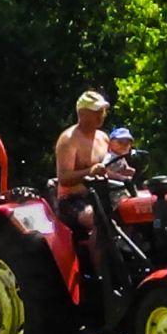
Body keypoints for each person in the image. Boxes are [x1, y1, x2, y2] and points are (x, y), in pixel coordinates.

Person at [53, 90, 111, 233]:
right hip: (72, 200)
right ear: (82, 113)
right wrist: (89, 172)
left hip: (101, 196)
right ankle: (101, 255)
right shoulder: (69, 140)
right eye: (96, 111)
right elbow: (64, 178)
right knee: (98, 220)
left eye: (102, 111)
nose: (100, 116)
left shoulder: (103, 138)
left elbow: (110, 168)